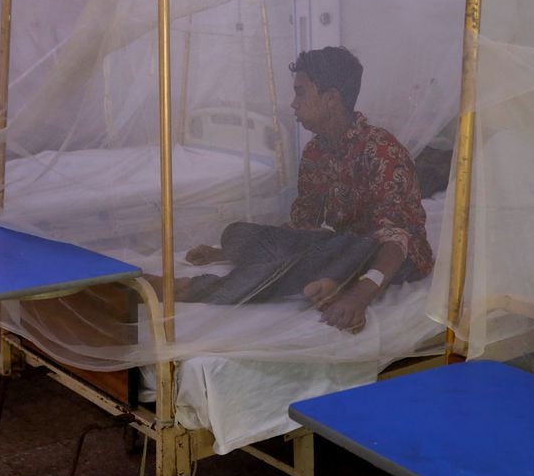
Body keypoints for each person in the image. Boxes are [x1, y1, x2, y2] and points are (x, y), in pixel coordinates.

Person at [178, 46, 433, 333]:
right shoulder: (316, 151)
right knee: (237, 234)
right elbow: (303, 224)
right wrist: (221, 252)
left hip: (389, 257)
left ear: (331, 99)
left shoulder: (382, 151)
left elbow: (396, 239)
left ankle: (194, 289)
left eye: (300, 92)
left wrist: (359, 298)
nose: (292, 104)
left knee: (318, 254)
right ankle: (330, 278)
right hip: (340, 247)